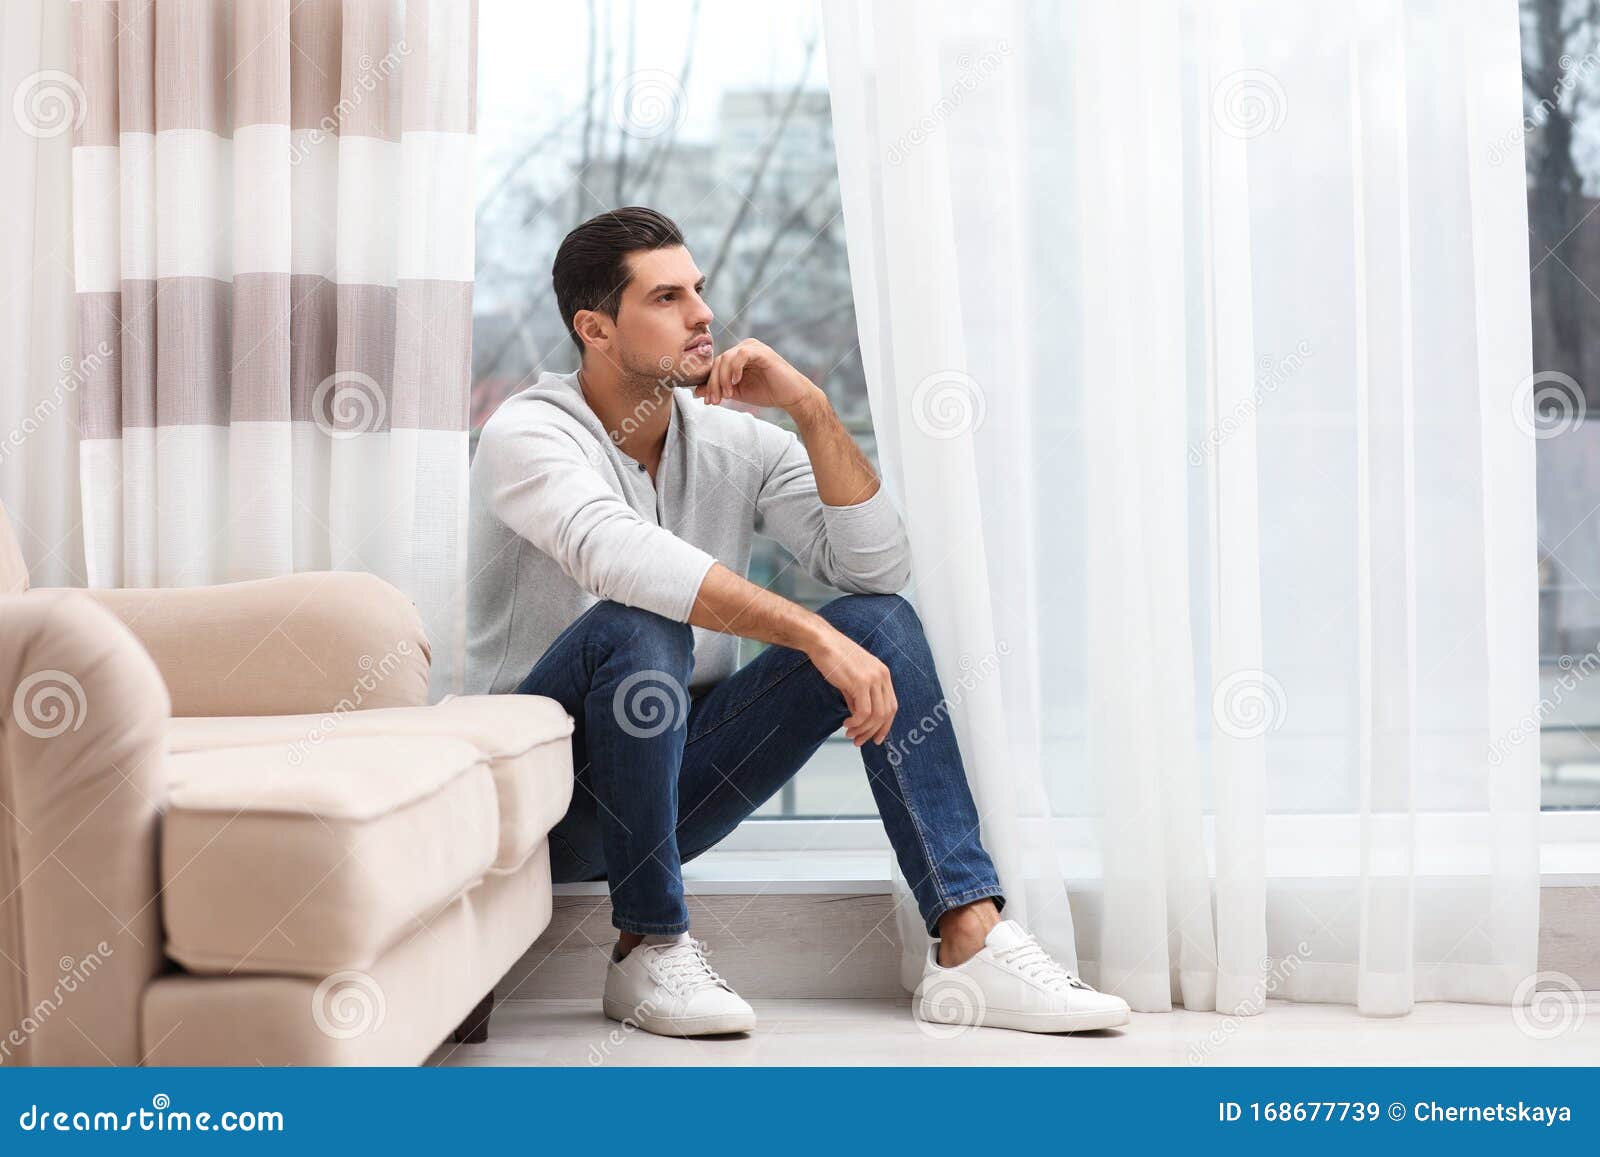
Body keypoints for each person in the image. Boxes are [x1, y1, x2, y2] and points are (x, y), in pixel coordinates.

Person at [465, 206, 1129, 1038]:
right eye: (667, 297)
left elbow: (877, 567)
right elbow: (618, 555)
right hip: (551, 803)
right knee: (645, 622)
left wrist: (810, 408)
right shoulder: (528, 431)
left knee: (879, 620)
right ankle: (648, 947)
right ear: (595, 328)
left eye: (699, 291)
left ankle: (970, 937)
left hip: (676, 781)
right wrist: (815, 637)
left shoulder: (732, 442)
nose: (703, 314)